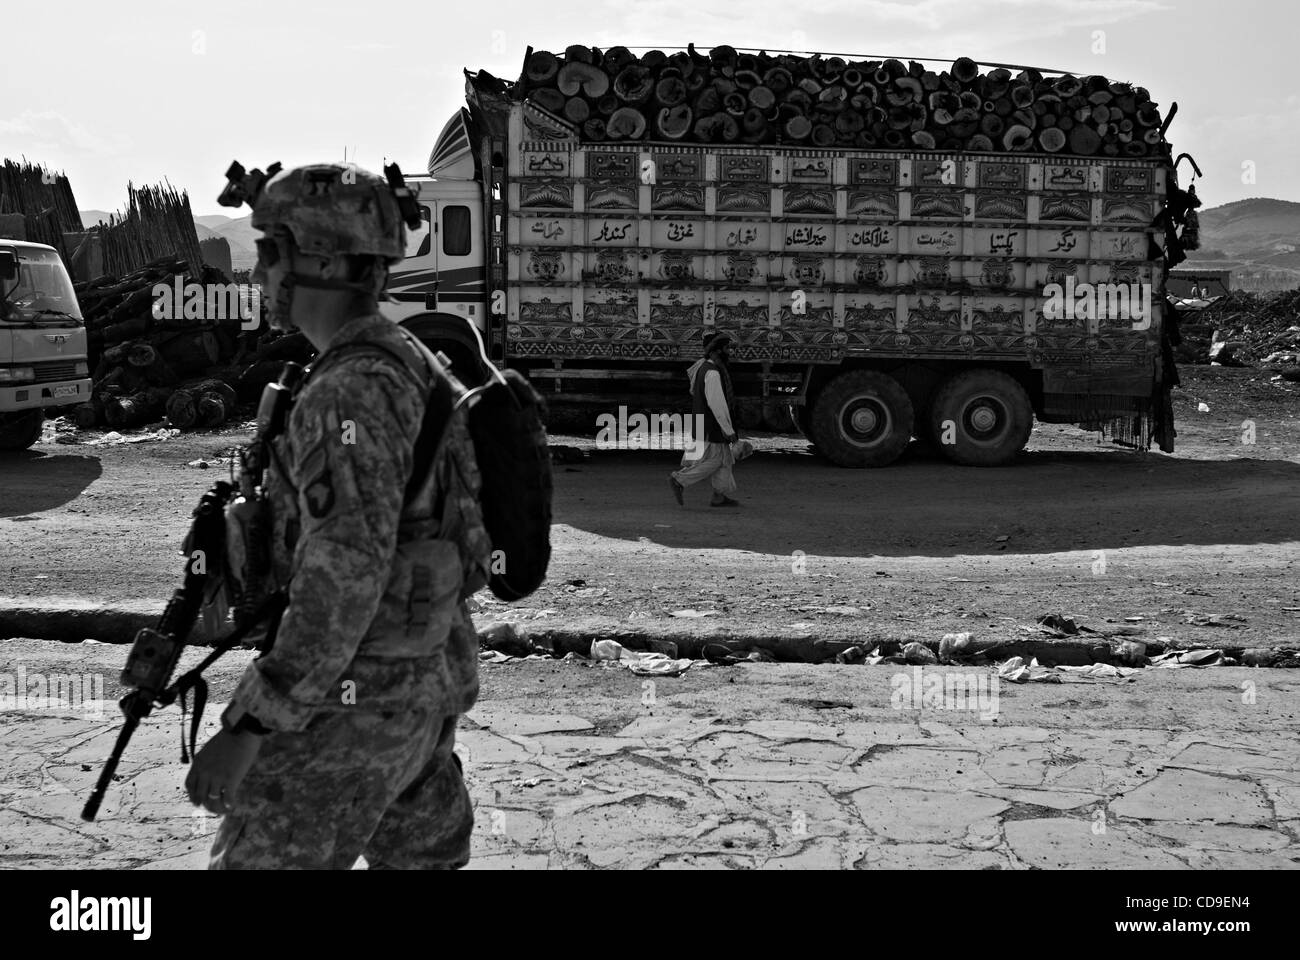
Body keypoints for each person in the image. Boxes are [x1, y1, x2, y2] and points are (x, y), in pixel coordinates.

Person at [184, 162, 492, 869]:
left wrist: (252, 723)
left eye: (271, 251)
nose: (259, 273)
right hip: (419, 696)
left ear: (322, 258)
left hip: (352, 708)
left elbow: (344, 571)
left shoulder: (349, 391)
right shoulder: (410, 361)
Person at [668, 331, 741, 508]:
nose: (729, 352)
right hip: (712, 426)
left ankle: (719, 496)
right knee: (717, 460)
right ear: (716, 351)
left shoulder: (703, 367)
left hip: (704, 424)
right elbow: (717, 405)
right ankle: (680, 480)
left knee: (724, 459)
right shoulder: (713, 373)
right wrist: (729, 431)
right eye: (726, 348)